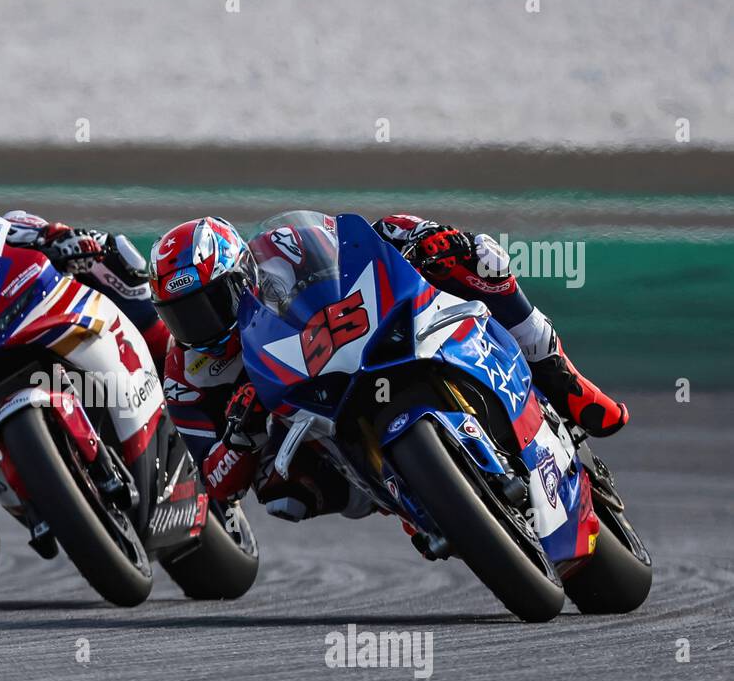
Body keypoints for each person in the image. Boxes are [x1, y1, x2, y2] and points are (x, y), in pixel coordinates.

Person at [151, 212, 629, 519]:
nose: (199, 326)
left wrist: (424, 237)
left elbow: (358, 239)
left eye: (210, 304)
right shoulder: (184, 376)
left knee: (480, 258)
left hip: (356, 336)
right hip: (302, 417)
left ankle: (559, 375)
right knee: (281, 495)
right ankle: (410, 496)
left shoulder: (281, 249)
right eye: (181, 316)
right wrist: (239, 434)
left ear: (241, 275)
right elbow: (216, 482)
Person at [0, 203, 172, 366]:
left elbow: (20, 230)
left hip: (42, 299)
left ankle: (169, 355)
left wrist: (59, 240)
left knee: (118, 259)